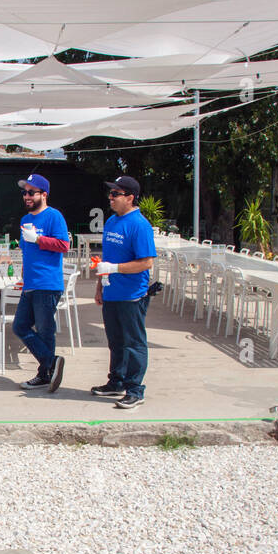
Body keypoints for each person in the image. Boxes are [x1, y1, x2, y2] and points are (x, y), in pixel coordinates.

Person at [91, 174, 157, 410]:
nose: (111, 198)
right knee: (116, 341)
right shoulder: (111, 222)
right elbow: (107, 259)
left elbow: (146, 262)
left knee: (134, 343)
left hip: (132, 295)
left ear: (130, 198)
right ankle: (116, 381)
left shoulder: (140, 225)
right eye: (110, 193)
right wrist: (100, 284)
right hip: (111, 292)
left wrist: (115, 269)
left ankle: (135, 390)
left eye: (116, 194)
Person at [12, 173, 70, 393]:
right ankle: (51, 363)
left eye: (31, 192)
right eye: (24, 192)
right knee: (20, 326)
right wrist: (23, 277)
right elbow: (27, 252)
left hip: (47, 283)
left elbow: (64, 245)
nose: (26, 196)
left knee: (45, 331)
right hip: (30, 284)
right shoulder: (25, 220)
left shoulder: (54, 216)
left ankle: (45, 372)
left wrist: (38, 239)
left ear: (43, 195)